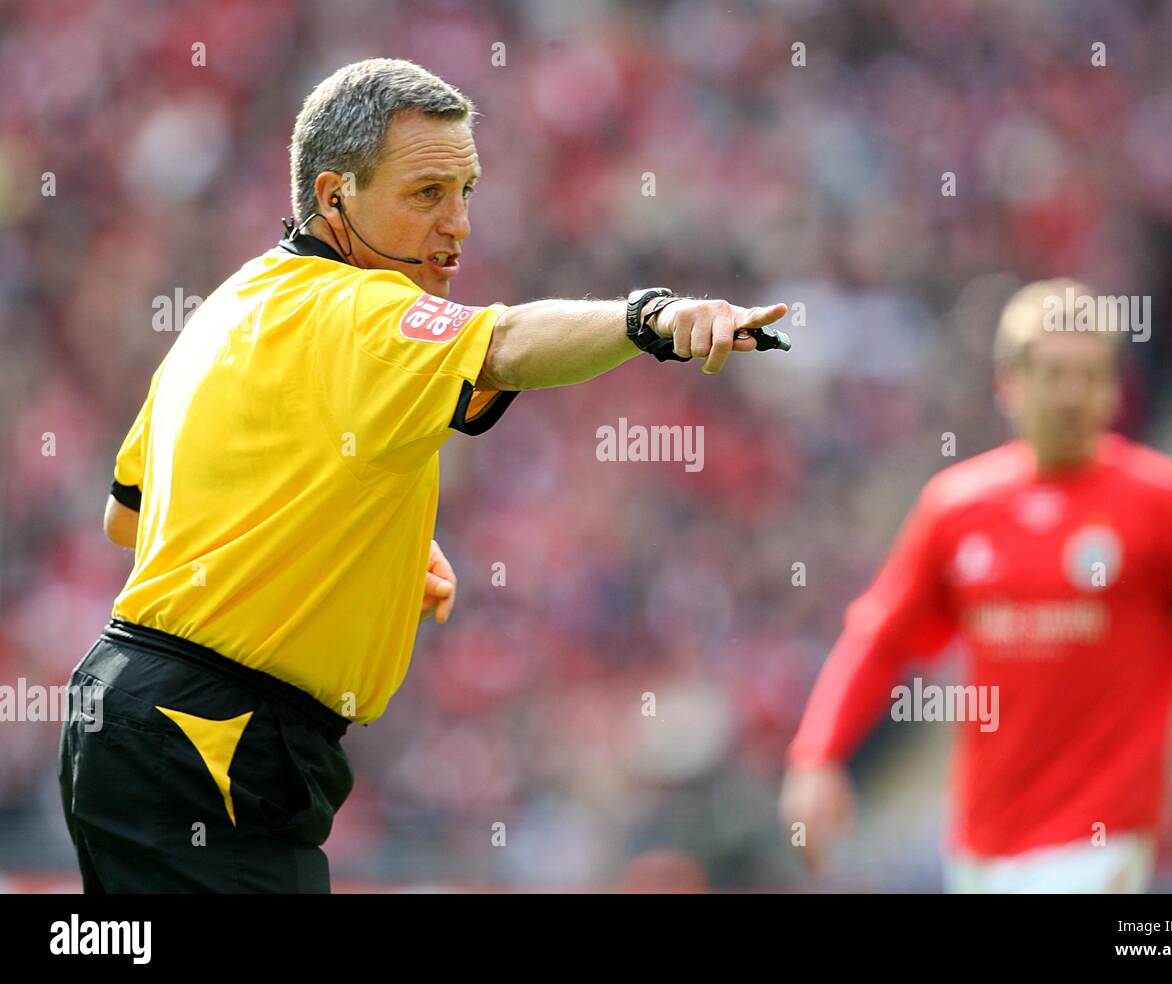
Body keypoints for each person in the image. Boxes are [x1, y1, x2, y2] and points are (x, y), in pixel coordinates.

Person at [59, 58, 788, 893]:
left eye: (468, 191)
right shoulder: (355, 309)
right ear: (335, 198)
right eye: (427, 194)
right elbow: (506, 342)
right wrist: (647, 319)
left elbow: (131, 518)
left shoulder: (231, 306)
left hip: (139, 714)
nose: (460, 225)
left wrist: (358, 543)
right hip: (207, 731)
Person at [780, 278, 1172, 892]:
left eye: (1091, 376)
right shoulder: (957, 508)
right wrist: (817, 755)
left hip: (1107, 836)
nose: (1074, 395)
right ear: (1009, 386)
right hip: (982, 843)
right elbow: (879, 640)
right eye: (1054, 375)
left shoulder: (1168, 506)